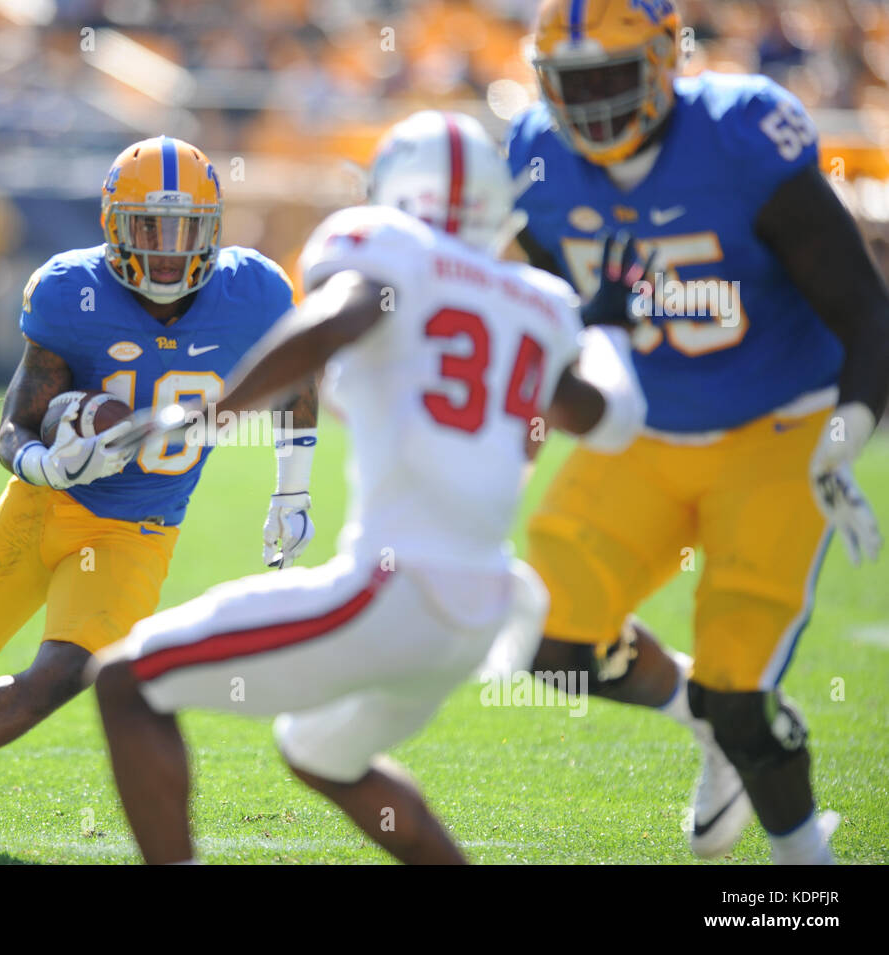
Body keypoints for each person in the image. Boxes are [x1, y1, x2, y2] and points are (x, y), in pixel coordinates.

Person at [91, 110, 650, 864]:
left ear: (392, 190)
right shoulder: (539, 302)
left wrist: (213, 412)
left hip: (394, 589)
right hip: (484, 609)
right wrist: (610, 326)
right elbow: (611, 419)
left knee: (126, 681)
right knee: (323, 753)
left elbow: (343, 317)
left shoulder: (387, 248)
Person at [0, 135, 319, 862]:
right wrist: (47, 465)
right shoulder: (70, 294)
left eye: (185, 229)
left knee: (63, 673)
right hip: (43, 505)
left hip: (139, 528)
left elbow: (299, 378)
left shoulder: (256, 294)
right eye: (151, 227)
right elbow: (14, 425)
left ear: (214, 230)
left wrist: (293, 487)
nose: (169, 250)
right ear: (115, 225)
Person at [506, 0, 888, 862]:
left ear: (666, 63)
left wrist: (850, 424)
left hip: (777, 428)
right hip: (645, 426)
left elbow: (866, 307)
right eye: (574, 84)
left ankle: (804, 868)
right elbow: (563, 300)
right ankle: (702, 715)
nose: (594, 104)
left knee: (744, 694)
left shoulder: (742, 135)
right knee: (546, 641)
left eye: (612, 77)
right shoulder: (534, 152)